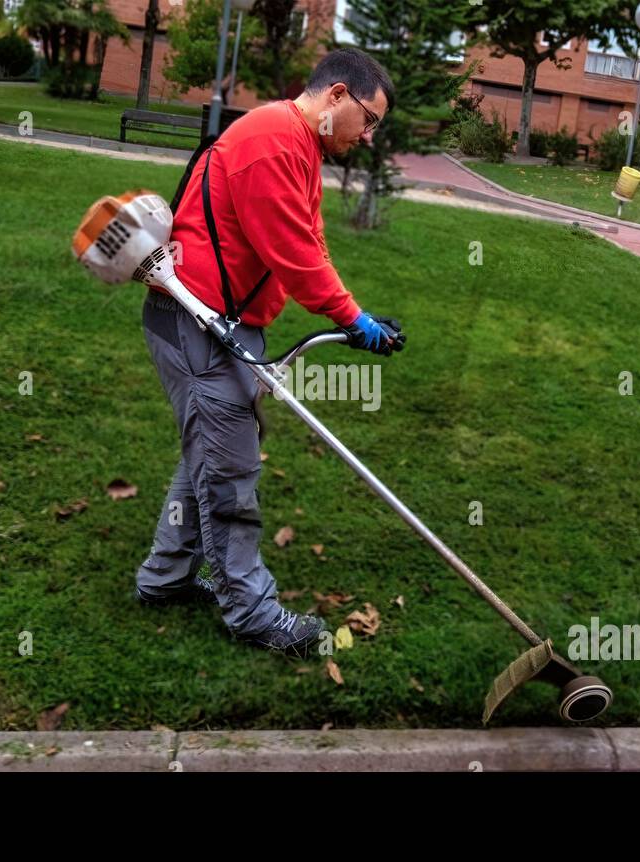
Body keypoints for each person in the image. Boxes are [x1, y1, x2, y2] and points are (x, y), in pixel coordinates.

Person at [135, 48, 405, 658]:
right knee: (230, 471)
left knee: (208, 454)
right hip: (198, 322)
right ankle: (252, 612)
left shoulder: (298, 146)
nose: (368, 136)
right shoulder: (274, 140)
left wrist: (357, 317)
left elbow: (310, 242)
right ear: (337, 95)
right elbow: (296, 257)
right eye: (369, 120)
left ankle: (164, 578)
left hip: (224, 325)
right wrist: (350, 319)